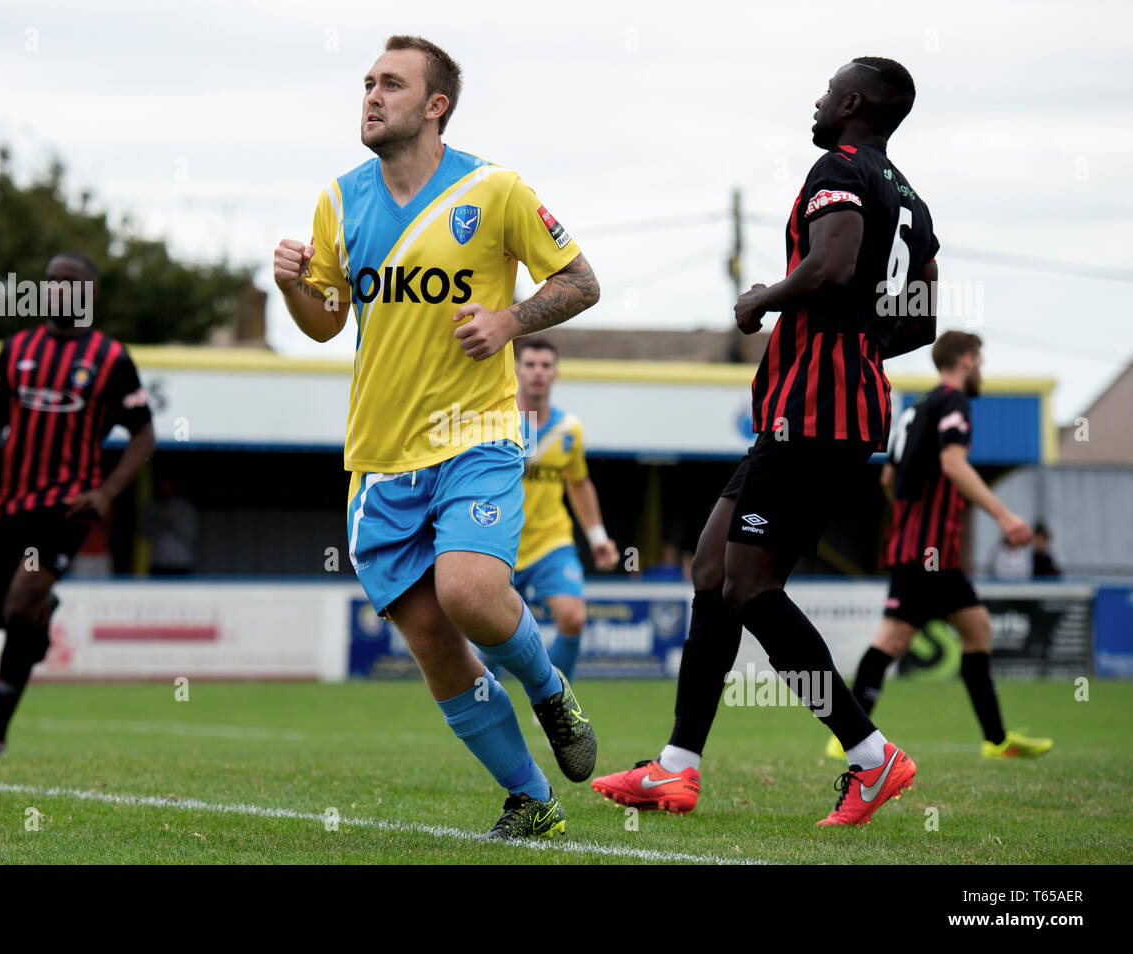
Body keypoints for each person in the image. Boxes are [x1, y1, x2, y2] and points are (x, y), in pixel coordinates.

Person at [593, 57, 937, 825]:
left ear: (851, 102)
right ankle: (676, 768)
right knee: (714, 570)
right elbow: (922, 321)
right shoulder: (912, 201)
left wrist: (761, 301)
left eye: (825, 92)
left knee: (750, 585)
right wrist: (859, 346)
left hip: (816, 407)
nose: (815, 104)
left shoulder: (836, 168)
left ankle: (870, 756)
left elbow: (833, 263)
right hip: (826, 404)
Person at [273, 36, 601, 839]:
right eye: (367, 83)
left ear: (435, 105)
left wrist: (510, 318)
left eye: (391, 84)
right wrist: (291, 288)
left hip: (476, 436)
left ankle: (550, 689)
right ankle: (531, 800)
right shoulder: (340, 199)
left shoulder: (494, 190)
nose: (372, 96)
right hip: (380, 463)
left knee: (468, 593)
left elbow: (582, 281)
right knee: (432, 641)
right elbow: (326, 325)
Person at [0, 252, 155, 754]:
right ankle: (43, 614)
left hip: (63, 507)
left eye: (71, 283)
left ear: (90, 295)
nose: (59, 290)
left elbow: (144, 435)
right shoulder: (17, 348)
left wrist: (106, 492)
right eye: (51, 283)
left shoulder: (110, 359)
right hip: (5, 503)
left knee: (19, 601)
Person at [826, 332, 1052, 761]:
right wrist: (1004, 516)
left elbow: (888, 481)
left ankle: (995, 739)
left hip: (920, 549)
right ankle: (847, 737)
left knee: (975, 628)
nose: (981, 368)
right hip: (931, 551)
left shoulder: (913, 410)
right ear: (966, 360)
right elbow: (952, 463)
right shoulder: (953, 401)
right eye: (980, 359)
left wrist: (914, 520)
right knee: (893, 640)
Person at [502, 337, 618, 683]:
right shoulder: (497, 422)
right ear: (517, 371)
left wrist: (598, 538)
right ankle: (487, 705)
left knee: (573, 618)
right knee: (490, 635)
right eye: (530, 365)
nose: (538, 372)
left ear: (555, 373)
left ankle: (554, 703)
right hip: (500, 543)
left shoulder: (570, 429)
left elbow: (579, 483)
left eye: (545, 365)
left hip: (551, 542)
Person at [145, 478, 198, 576]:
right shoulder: (152, 507)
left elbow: (191, 534)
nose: (166, 491)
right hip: (158, 561)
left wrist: (173, 521)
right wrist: (158, 519)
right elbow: (144, 533)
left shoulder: (185, 507)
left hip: (181, 562)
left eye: (169, 487)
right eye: (163, 488)